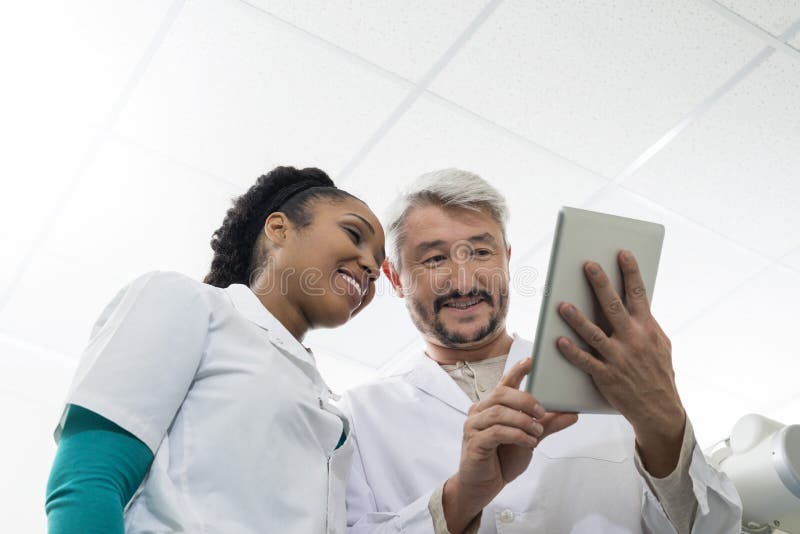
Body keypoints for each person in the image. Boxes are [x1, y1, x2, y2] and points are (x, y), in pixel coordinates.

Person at [340, 169, 743, 533]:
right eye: (434, 259)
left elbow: (715, 528)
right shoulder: (356, 417)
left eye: (481, 252)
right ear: (395, 277)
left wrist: (667, 425)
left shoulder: (610, 381)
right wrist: (462, 497)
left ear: (506, 260)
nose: (463, 281)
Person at [45, 166, 386, 533]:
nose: (371, 267)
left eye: (379, 265)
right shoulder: (186, 302)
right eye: (354, 234)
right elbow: (88, 480)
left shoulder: (327, 411)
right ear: (279, 229)